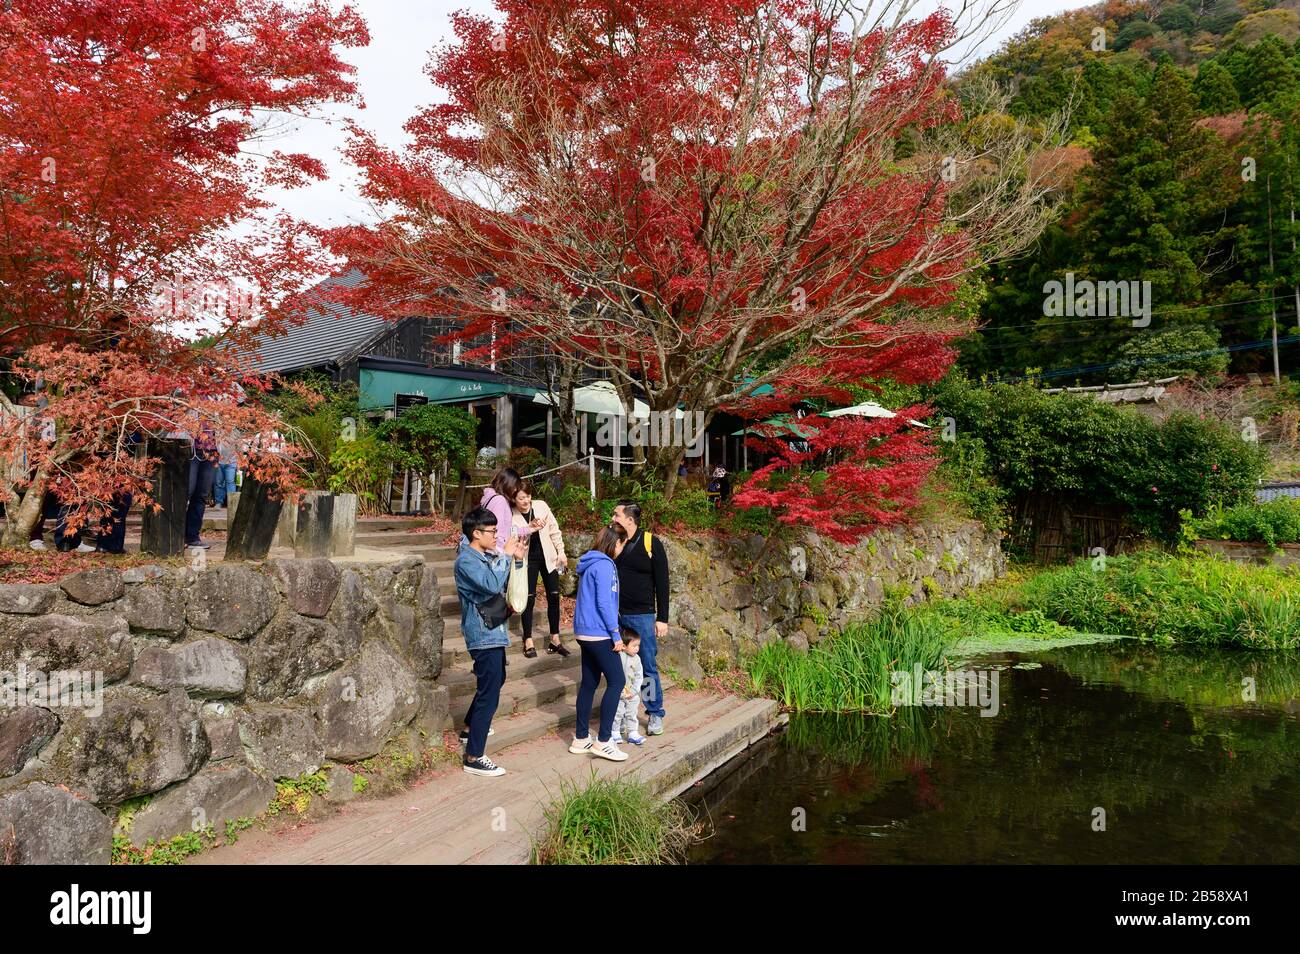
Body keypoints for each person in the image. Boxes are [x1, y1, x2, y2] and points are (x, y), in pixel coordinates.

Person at [453, 506, 526, 778]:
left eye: (497, 531)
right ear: (476, 533)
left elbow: (502, 579)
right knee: (490, 693)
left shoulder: (483, 555)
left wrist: (515, 559)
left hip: (493, 631)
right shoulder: (467, 561)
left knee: (496, 680)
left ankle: (469, 729)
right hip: (482, 635)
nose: (496, 535)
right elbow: (492, 584)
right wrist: (506, 555)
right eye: (492, 531)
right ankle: (474, 756)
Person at [569, 525, 629, 762]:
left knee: (590, 683)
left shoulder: (589, 563)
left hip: (583, 632)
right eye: (622, 544)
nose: (622, 549)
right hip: (600, 633)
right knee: (617, 681)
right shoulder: (604, 565)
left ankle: (581, 738)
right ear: (616, 543)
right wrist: (615, 634)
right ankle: (604, 741)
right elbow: (605, 603)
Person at [611, 500, 670, 736]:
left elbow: (663, 582)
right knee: (620, 666)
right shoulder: (615, 542)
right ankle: (624, 712)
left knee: (647, 666)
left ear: (630, 519)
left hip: (642, 616)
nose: (613, 518)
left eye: (616, 515)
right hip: (616, 615)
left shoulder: (650, 542)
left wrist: (662, 618)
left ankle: (655, 712)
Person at [510, 481, 569, 659]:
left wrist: (561, 552)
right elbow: (512, 536)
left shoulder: (541, 506)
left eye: (528, 496)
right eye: (521, 498)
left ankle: (555, 639)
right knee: (528, 598)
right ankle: (527, 639)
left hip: (548, 557)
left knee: (553, 595)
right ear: (514, 499)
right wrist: (529, 529)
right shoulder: (511, 514)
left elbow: (554, 530)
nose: (526, 501)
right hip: (528, 560)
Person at [611, 627, 645, 746]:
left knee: (632, 713)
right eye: (634, 646)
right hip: (619, 692)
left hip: (632, 693)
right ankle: (614, 731)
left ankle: (632, 733)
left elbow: (639, 676)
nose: (637, 649)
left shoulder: (637, 659)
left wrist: (634, 691)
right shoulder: (618, 656)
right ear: (624, 646)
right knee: (617, 712)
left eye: (638, 645)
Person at [479, 466, 522, 553]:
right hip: (495, 553)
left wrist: (529, 529)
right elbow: (497, 531)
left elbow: (506, 529)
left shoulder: (491, 497)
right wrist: (502, 555)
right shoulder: (500, 501)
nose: (516, 489)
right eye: (514, 485)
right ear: (507, 484)